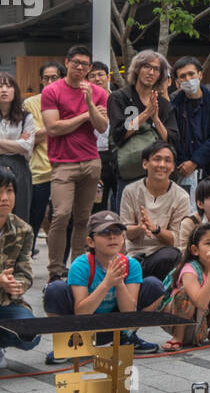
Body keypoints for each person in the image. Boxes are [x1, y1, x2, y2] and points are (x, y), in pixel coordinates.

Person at [43, 211, 163, 359]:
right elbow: (81, 312)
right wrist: (106, 283)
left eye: (117, 231)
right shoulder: (81, 265)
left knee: (155, 286)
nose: (112, 237)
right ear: (90, 242)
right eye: (104, 232)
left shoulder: (131, 265)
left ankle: (126, 338)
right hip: (84, 326)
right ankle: (68, 341)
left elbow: (129, 313)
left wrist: (118, 282)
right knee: (55, 289)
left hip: (115, 324)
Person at [42, 46, 109, 283]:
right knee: (60, 215)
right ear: (67, 62)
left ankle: (78, 269)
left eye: (85, 64)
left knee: (83, 218)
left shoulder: (98, 93)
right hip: (62, 163)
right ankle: (55, 271)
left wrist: (89, 103)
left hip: (91, 161)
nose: (80, 67)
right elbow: (53, 127)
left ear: (90, 68)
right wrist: (84, 117)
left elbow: (101, 126)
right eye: (76, 62)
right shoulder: (52, 91)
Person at [108, 50, 177, 204]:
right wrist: (146, 114)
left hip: (159, 174)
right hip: (129, 171)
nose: (151, 72)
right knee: (128, 222)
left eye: (156, 69)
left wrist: (156, 118)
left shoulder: (164, 104)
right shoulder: (119, 98)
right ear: (137, 69)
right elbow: (119, 135)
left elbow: (171, 139)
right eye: (147, 66)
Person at [119, 141, 190, 282]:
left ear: (173, 167)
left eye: (168, 161)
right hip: (134, 256)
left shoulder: (181, 196)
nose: (162, 165)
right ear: (145, 164)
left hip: (163, 256)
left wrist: (156, 229)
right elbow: (124, 231)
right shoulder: (130, 191)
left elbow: (176, 240)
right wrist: (140, 228)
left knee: (171, 255)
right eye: (157, 159)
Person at [170, 57, 210, 200]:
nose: (188, 79)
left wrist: (195, 162)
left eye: (191, 74)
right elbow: (174, 136)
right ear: (177, 82)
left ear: (200, 75)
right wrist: (185, 164)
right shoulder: (174, 104)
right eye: (182, 76)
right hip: (183, 170)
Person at [0, 167, 40, 369]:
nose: (4, 198)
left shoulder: (24, 230)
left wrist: (15, 285)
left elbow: (24, 272)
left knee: (30, 334)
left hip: (5, 302)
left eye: (9, 191)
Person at [23, 63, 62, 257]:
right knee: (34, 217)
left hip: (64, 168)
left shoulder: (69, 99)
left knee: (62, 218)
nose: (49, 81)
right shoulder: (31, 103)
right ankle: (25, 256)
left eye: (54, 77)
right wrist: (59, 125)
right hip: (39, 169)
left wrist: (51, 127)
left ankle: (60, 261)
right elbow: (34, 136)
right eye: (46, 78)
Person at [0, 73, 34, 227]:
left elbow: (26, 146)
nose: (4, 90)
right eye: (0, 86)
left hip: (18, 167)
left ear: (15, 90)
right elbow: (20, 145)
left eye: (9, 86)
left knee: (19, 214)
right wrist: (16, 142)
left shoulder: (25, 117)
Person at [87, 62, 116, 210]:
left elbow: (133, 126)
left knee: (119, 200)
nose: (97, 79)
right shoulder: (85, 101)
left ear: (108, 77)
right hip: (95, 155)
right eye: (92, 76)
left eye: (100, 75)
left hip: (117, 154)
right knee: (98, 203)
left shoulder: (121, 98)